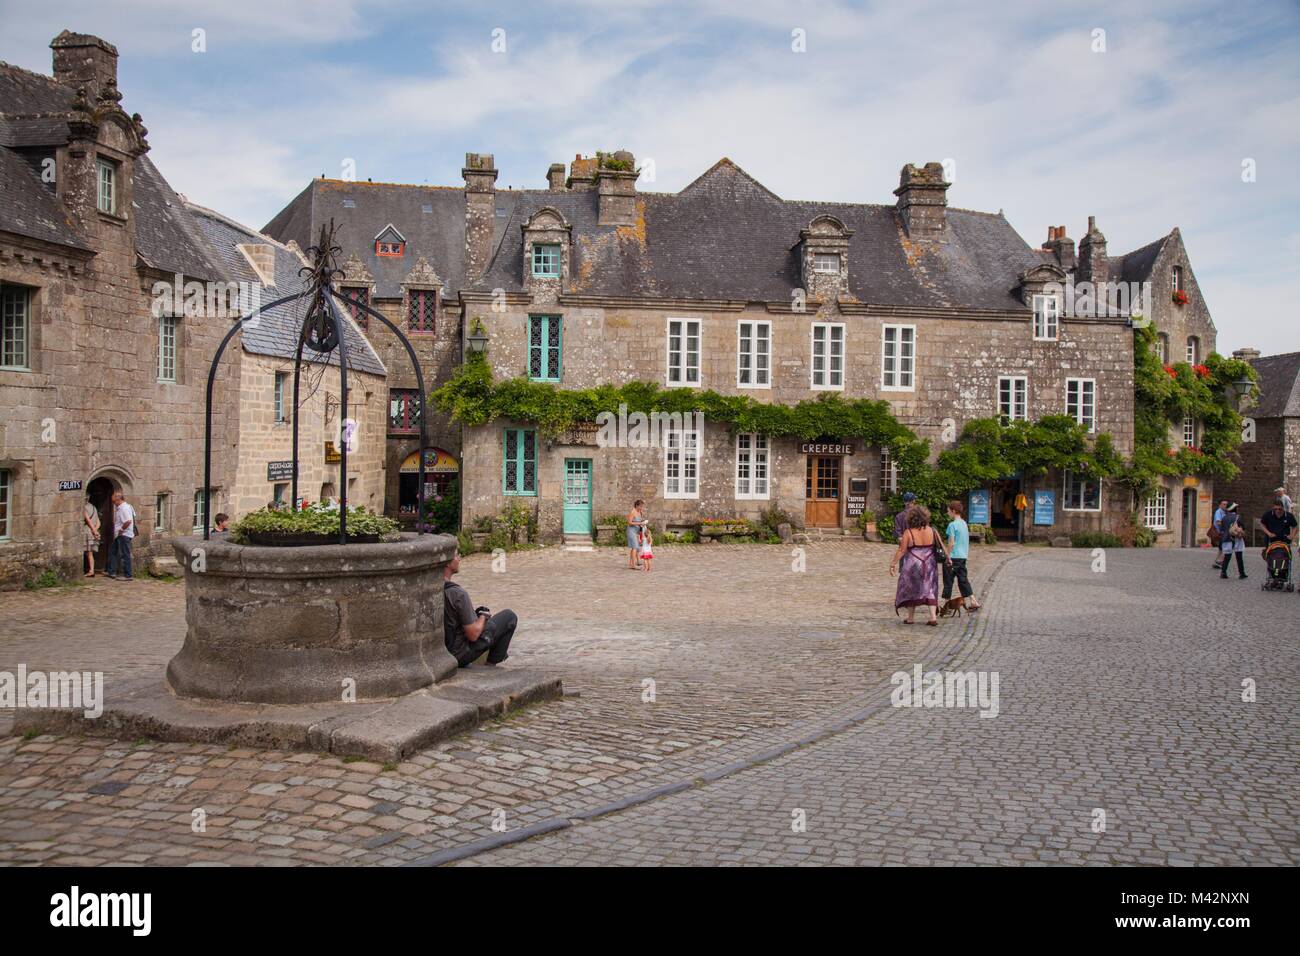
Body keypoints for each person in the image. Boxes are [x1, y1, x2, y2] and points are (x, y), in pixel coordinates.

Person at [443, 548, 517, 667]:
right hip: (458, 654)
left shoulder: (431, 588)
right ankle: (490, 666)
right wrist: (483, 616)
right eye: (457, 555)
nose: (459, 558)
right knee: (509, 617)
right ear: (447, 562)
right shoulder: (457, 594)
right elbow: (473, 634)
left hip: (443, 650)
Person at [890, 504, 942, 626]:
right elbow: (940, 545)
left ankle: (910, 618)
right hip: (929, 563)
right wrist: (948, 558)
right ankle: (933, 617)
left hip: (913, 564)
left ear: (911, 518)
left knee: (911, 589)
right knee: (930, 588)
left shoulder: (908, 532)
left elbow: (902, 550)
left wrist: (893, 564)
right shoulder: (932, 530)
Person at [941, 499, 980, 612]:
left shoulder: (952, 525)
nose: (948, 513)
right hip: (962, 556)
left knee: (948, 581)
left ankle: (946, 606)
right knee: (963, 580)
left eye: (948, 511)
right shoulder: (964, 523)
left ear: (953, 511)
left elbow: (951, 543)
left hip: (953, 557)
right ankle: (973, 601)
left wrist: (947, 555)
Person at [106, 491, 135, 581]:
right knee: (113, 551)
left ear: (118, 500)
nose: (114, 504)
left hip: (123, 534)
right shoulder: (127, 507)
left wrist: (122, 529)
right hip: (120, 534)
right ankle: (112, 572)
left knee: (125, 554)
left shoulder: (124, 508)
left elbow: (128, 521)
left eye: (114, 502)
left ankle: (128, 575)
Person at [1216, 502, 1247, 580]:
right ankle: (1242, 573)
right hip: (1236, 539)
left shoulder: (1224, 518)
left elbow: (1222, 529)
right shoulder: (1238, 518)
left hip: (1226, 539)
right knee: (1239, 557)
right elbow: (1243, 528)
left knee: (1227, 557)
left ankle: (1223, 572)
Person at [82, 493, 100, 578]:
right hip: (93, 531)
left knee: (88, 552)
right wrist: (95, 530)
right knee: (90, 553)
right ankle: (91, 570)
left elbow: (88, 520)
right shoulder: (93, 507)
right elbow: (98, 521)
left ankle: (91, 570)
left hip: (87, 530)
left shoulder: (83, 507)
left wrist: (93, 530)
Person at [626, 499, 647, 569]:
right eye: (640, 506)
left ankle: (631, 563)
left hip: (637, 532)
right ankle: (633, 565)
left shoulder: (640, 512)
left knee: (635, 548)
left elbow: (640, 520)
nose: (641, 508)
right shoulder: (632, 512)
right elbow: (629, 522)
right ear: (637, 505)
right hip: (631, 531)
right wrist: (639, 523)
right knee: (634, 547)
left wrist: (643, 523)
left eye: (642, 506)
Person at [1210, 499, 1228, 569]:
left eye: (1226, 504)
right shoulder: (1218, 512)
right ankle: (1219, 561)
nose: (1225, 506)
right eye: (1223, 504)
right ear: (1220, 505)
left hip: (1222, 532)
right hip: (1220, 532)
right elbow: (1218, 522)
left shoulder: (1224, 512)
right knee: (1224, 547)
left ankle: (1217, 561)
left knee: (1221, 548)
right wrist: (1227, 525)